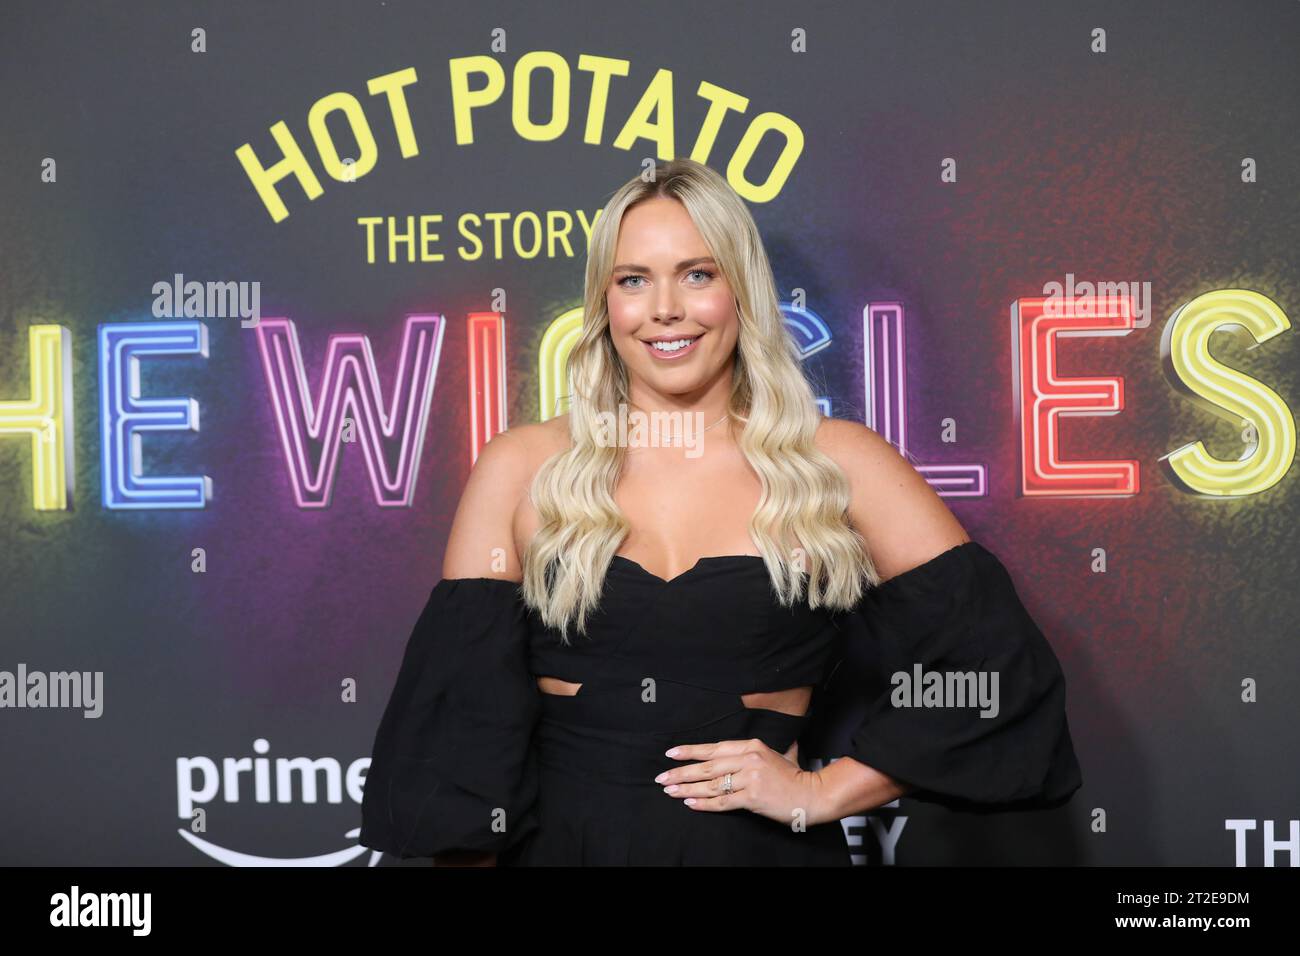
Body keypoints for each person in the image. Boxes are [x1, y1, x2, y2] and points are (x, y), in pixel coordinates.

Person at [358, 158, 1082, 866]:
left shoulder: (838, 461)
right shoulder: (520, 466)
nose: (664, 309)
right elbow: (462, 737)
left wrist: (824, 791)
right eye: (633, 280)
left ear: (741, 291)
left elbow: (995, 673)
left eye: (697, 275)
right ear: (604, 303)